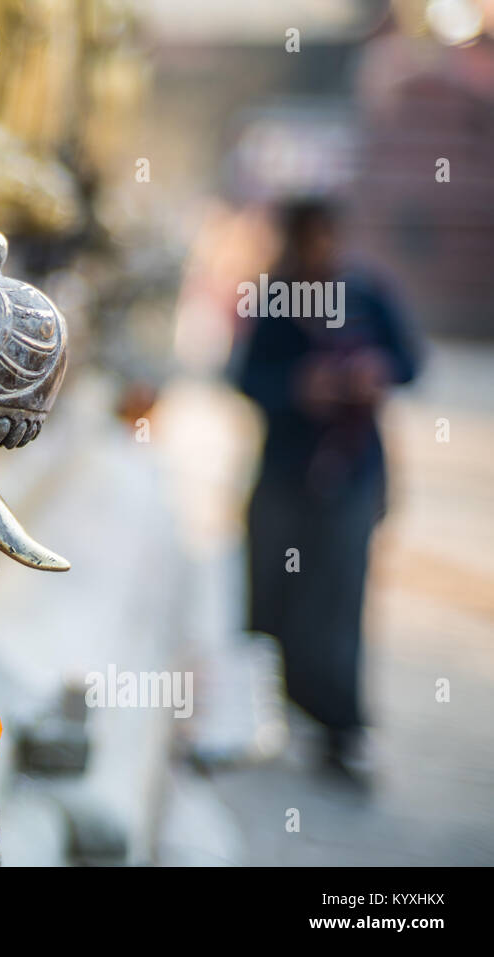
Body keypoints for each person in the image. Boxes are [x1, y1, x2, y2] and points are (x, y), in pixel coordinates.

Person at [234, 199, 421, 784]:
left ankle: (341, 730)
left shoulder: (368, 294)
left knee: (339, 597)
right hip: (286, 470)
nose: (316, 252)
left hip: (352, 472)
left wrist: (372, 373)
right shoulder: (275, 299)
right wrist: (298, 388)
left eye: (324, 240)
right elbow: (242, 376)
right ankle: (257, 716)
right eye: (305, 241)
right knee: (271, 590)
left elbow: (412, 363)